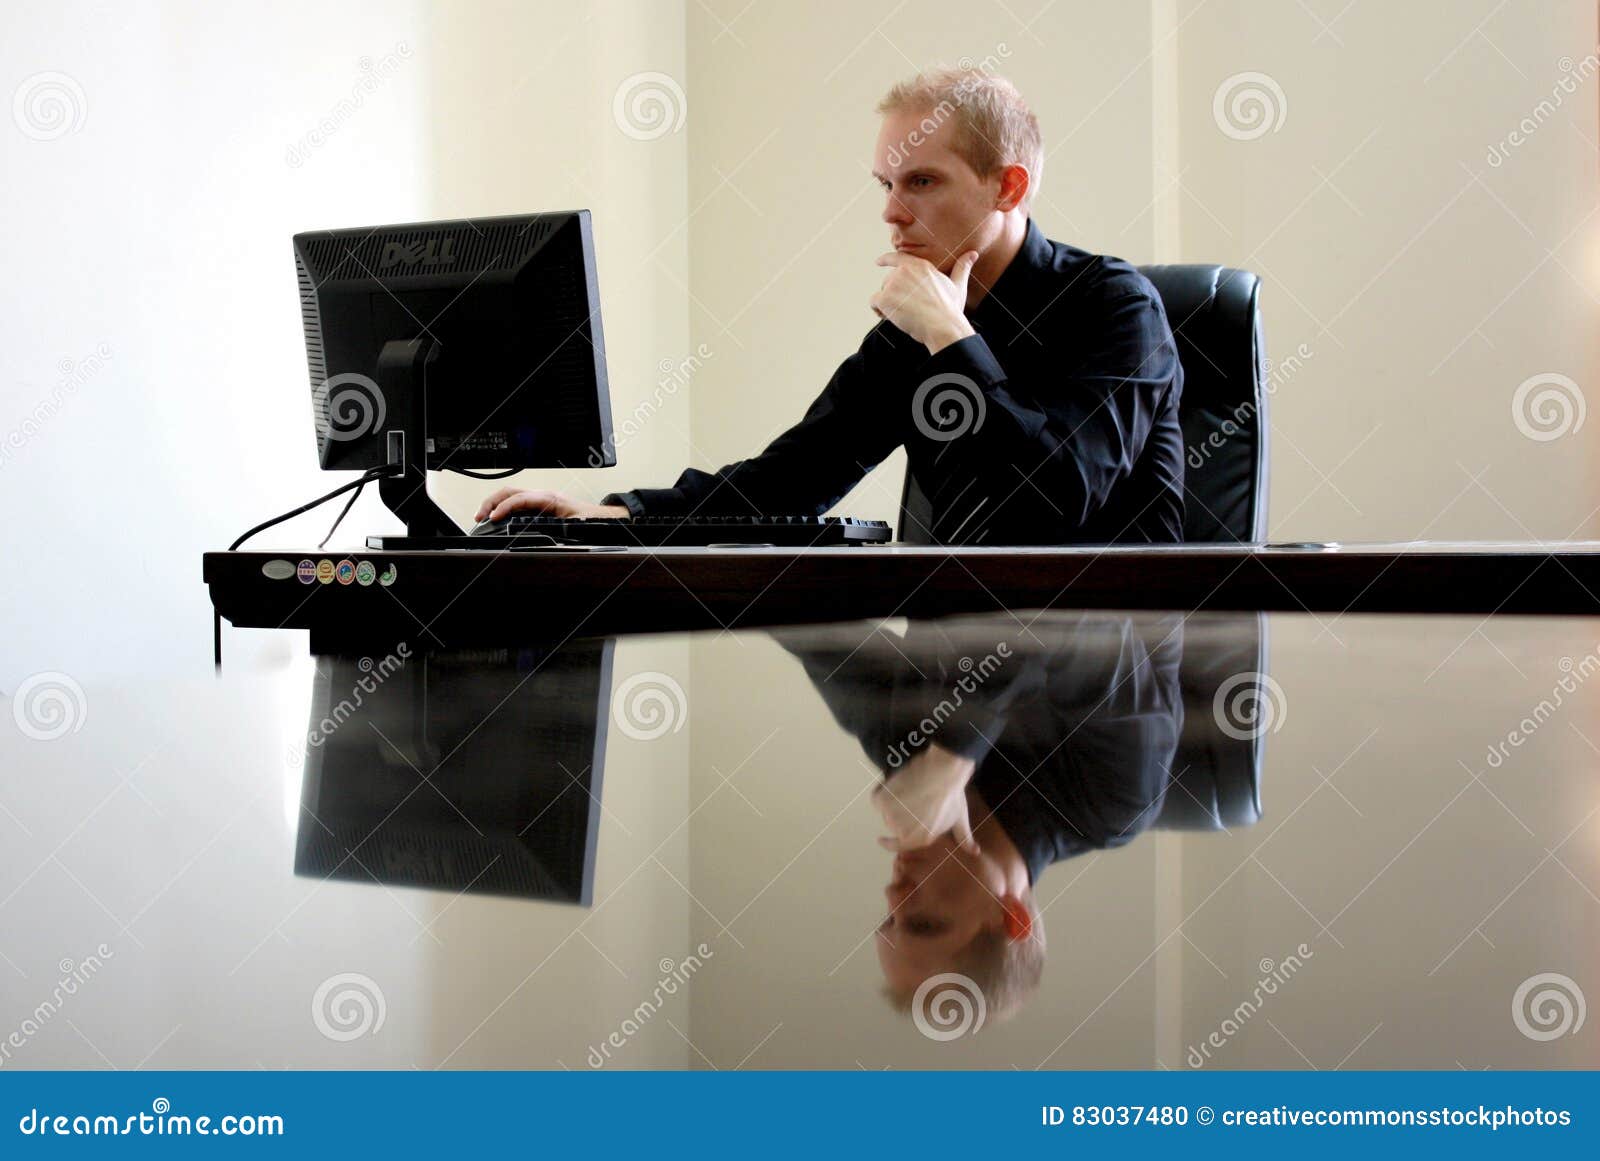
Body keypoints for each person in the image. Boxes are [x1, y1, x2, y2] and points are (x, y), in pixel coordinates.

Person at [478, 68, 1185, 546]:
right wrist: (615, 514)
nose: (891, 212)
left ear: (1007, 187)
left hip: (1104, 686)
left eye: (922, 181)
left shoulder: (1118, 308)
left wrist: (949, 335)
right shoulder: (911, 335)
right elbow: (785, 484)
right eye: (885, 183)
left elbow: (1059, 499)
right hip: (953, 681)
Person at [772, 611, 1184, 1022]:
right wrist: (953, 755)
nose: (893, 895)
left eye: (888, 919)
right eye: (925, 922)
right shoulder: (1113, 803)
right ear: (1012, 917)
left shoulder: (910, 763)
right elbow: (1065, 608)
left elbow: (805, 618)